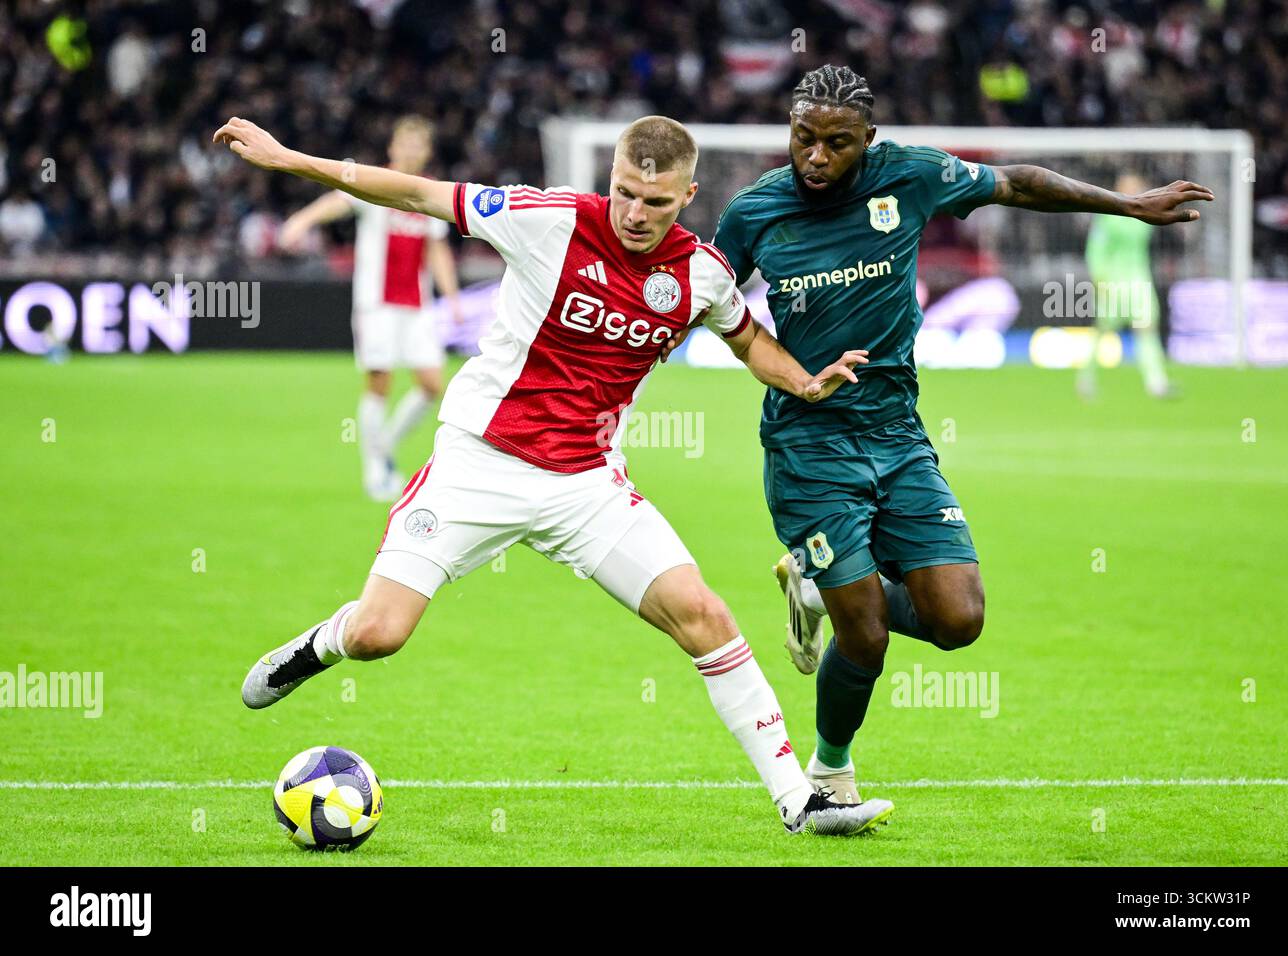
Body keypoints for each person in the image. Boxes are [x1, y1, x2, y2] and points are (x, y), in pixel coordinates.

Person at [215, 112, 890, 836]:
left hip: (585, 486)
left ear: (689, 194)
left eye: (655, 202)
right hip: (478, 464)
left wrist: (805, 383)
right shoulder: (548, 219)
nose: (635, 213)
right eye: (625, 192)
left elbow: (747, 337)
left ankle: (802, 800)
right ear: (611, 179)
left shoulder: (700, 275)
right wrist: (293, 158)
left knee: (706, 617)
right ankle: (318, 645)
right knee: (380, 634)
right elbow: (416, 194)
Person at [710, 64, 1212, 805]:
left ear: (869, 140)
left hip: (897, 432)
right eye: (803, 140)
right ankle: (829, 773)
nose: (816, 158)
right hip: (809, 445)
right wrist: (794, 375)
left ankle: (818, 590)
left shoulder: (909, 175)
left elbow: (1017, 181)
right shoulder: (756, 212)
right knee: (868, 636)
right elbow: (716, 307)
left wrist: (1126, 207)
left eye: (837, 144)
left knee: (957, 620)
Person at [279, 116, 463, 500]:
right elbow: (337, 200)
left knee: (432, 385)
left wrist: (452, 296)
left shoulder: (430, 193)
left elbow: (437, 249)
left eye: (418, 145)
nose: (411, 151)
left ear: (427, 152)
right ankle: (375, 468)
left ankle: (385, 447)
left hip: (417, 306)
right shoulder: (377, 183)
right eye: (405, 143)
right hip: (376, 304)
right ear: (392, 148)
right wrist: (303, 220)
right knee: (380, 381)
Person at [1078, 173, 1174, 400]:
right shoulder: (1108, 217)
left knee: (1147, 329)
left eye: (1135, 186)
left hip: (1139, 280)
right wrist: (1098, 276)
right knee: (1103, 330)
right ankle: (1086, 376)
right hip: (1113, 281)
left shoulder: (1144, 216)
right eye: (1127, 186)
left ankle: (1156, 382)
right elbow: (1095, 249)